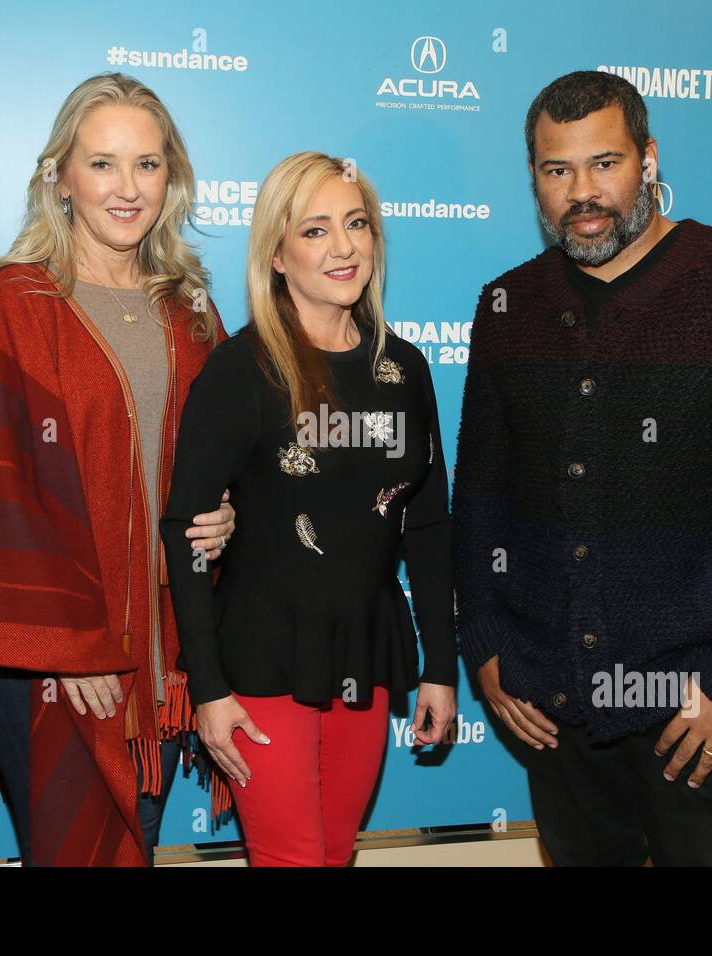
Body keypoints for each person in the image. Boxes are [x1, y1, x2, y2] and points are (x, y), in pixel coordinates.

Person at [451, 70, 712, 866]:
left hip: (696, 715)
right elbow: (481, 493)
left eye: (606, 163)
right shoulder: (508, 304)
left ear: (649, 158)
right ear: (533, 175)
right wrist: (487, 642)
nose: (583, 192)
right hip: (552, 708)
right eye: (557, 170)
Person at [0, 72, 237, 867]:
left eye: (148, 165)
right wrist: (73, 648)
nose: (127, 188)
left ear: (172, 179)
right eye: (103, 163)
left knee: (134, 845)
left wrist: (230, 514)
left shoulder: (190, 310)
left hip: (159, 653)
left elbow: (225, 465)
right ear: (61, 177)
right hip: (44, 649)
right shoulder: (18, 301)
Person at [159, 151, 458, 866]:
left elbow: (429, 523)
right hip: (262, 663)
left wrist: (441, 667)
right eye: (316, 230)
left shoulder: (405, 367)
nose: (345, 246)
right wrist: (208, 689)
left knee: (330, 855)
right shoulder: (243, 368)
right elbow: (185, 529)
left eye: (357, 225)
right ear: (277, 255)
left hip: (367, 653)